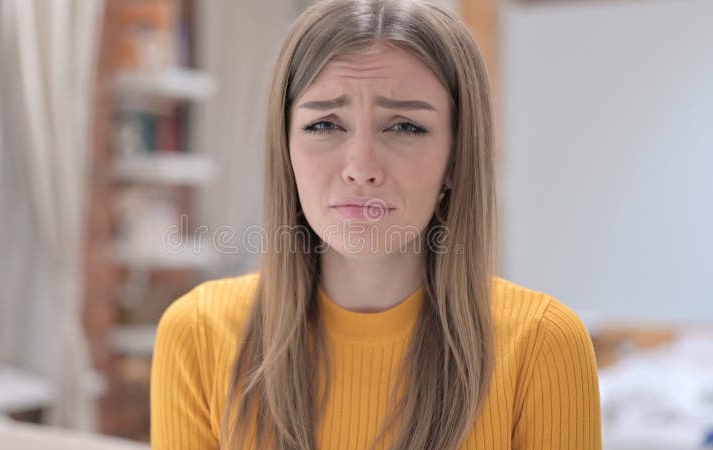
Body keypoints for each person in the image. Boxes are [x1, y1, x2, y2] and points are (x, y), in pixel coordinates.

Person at [151, 0, 602, 449]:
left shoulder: (544, 344)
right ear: (284, 149)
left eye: (405, 127)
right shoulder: (197, 333)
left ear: (456, 158)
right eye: (325, 124)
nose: (361, 166)